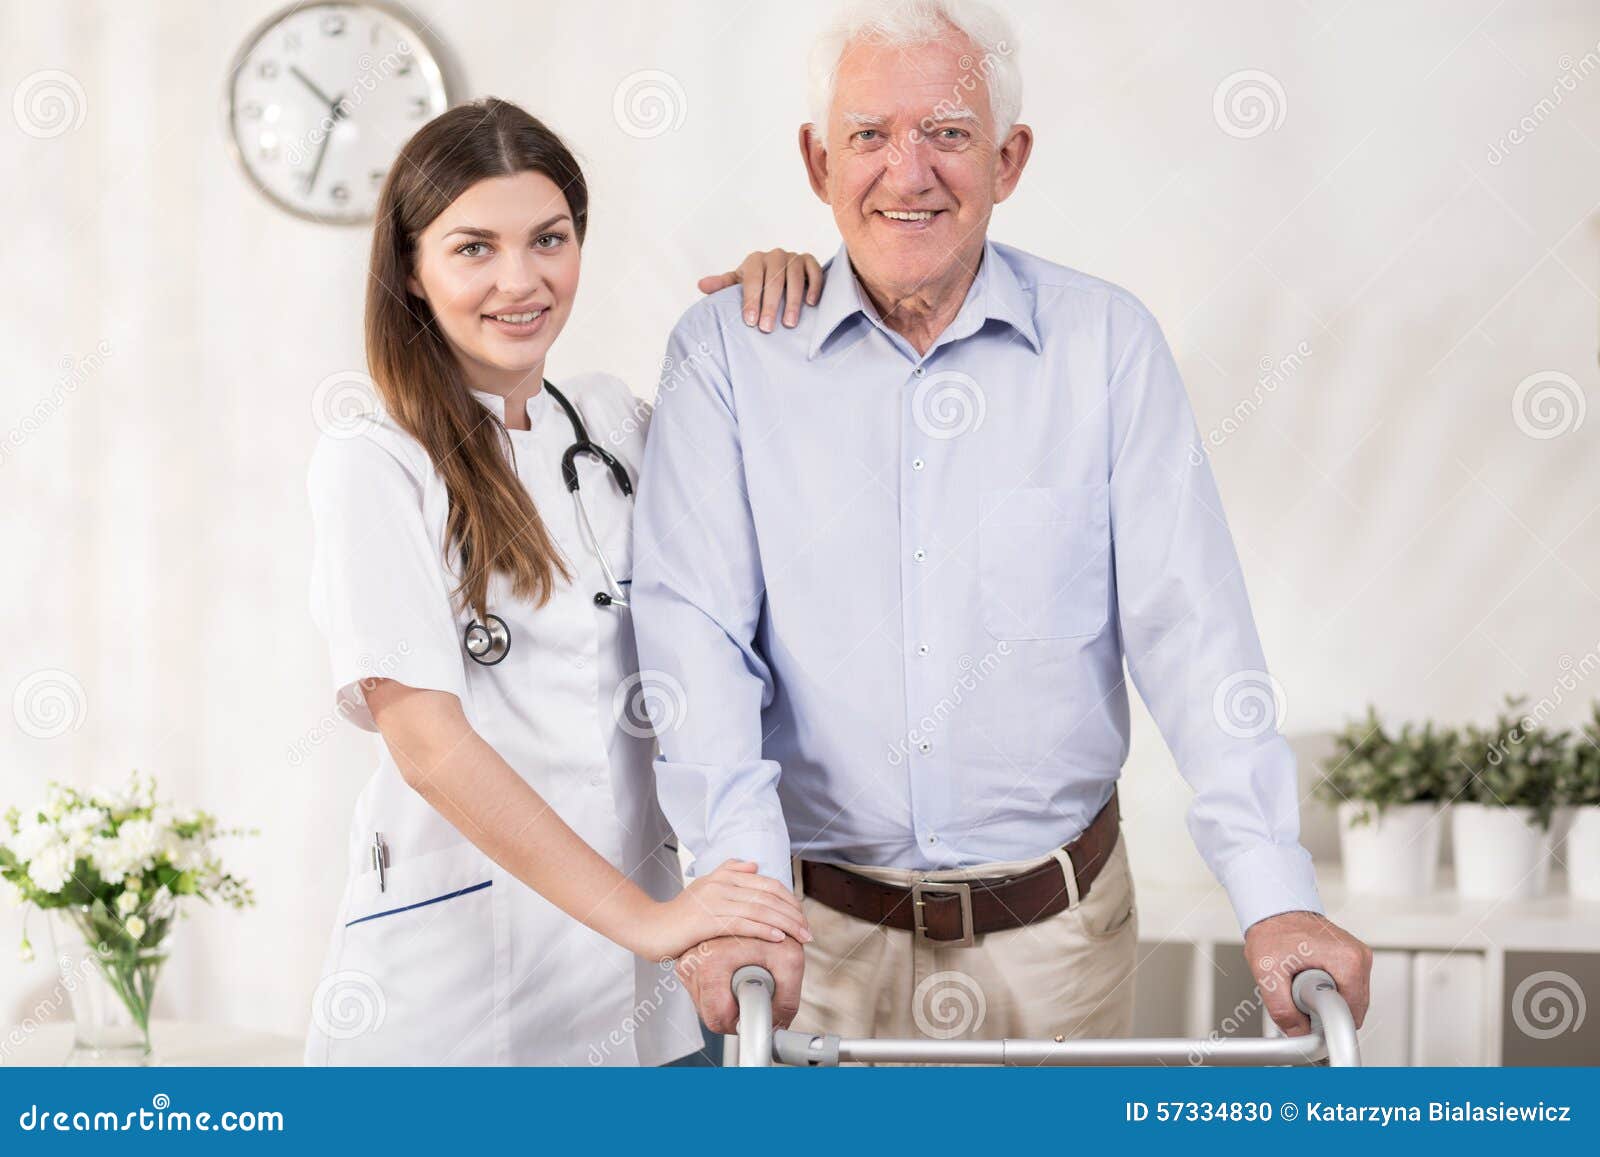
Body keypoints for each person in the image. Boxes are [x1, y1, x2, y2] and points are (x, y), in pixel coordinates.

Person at [631, 0, 1372, 1050]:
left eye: (947, 132)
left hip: (1059, 945)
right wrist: (739, 893)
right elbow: (695, 637)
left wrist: (1276, 892)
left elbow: (1191, 628)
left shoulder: (1106, 345)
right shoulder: (730, 354)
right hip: (811, 945)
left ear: (1009, 157)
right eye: (869, 135)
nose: (908, 170)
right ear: (816, 160)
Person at [303, 97, 823, 1066]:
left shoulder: (615, 422)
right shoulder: (374, 461)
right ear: (410, 270)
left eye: (549, 238)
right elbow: (427, 743)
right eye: (473, 248)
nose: (521, 279)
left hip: (638, 994)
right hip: (456, 1000)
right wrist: (647, 918)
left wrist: (777, 309)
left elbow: (780, 487)